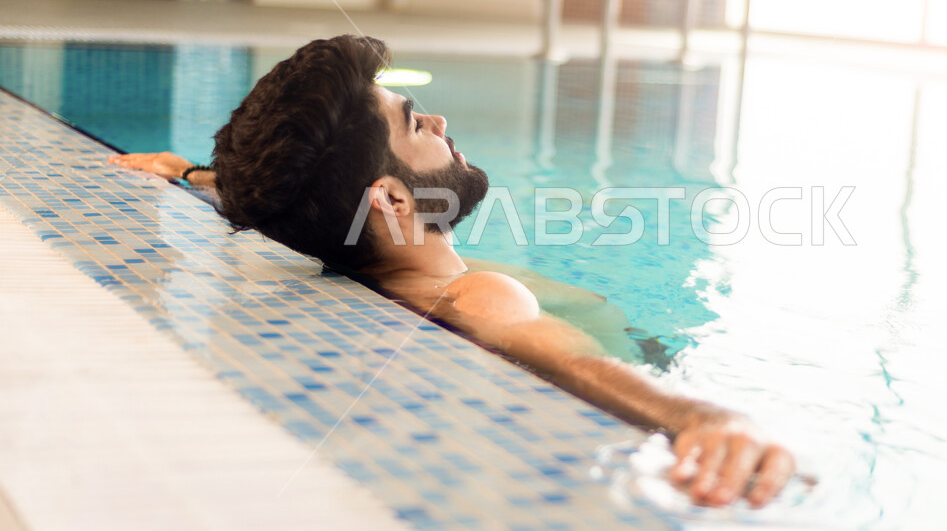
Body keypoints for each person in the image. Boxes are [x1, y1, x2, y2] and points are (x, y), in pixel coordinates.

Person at [108, 34, 805, 508]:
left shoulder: (358, 260)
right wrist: (708, 417)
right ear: (389, 199)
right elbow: (547, 352)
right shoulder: (475, 293)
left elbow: (286, 199)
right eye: (415, 126)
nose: (439, 120)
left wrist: (196, 174)